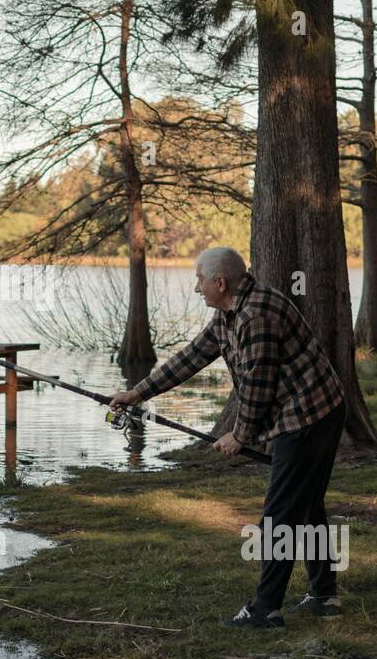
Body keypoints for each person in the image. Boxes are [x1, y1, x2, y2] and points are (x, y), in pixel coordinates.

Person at [109, 247, 347, 628]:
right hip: (310, 412)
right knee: (306, 505)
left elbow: (258, 385)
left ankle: (266, 608)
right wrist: (138, 393)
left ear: (220, 282)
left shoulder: (255, 316)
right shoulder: (229, 313)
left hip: (311, 415)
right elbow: (192, 357)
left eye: (200, 280)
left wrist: (239, 435)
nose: (196, 288)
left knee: (279, 515)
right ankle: (324, 594)